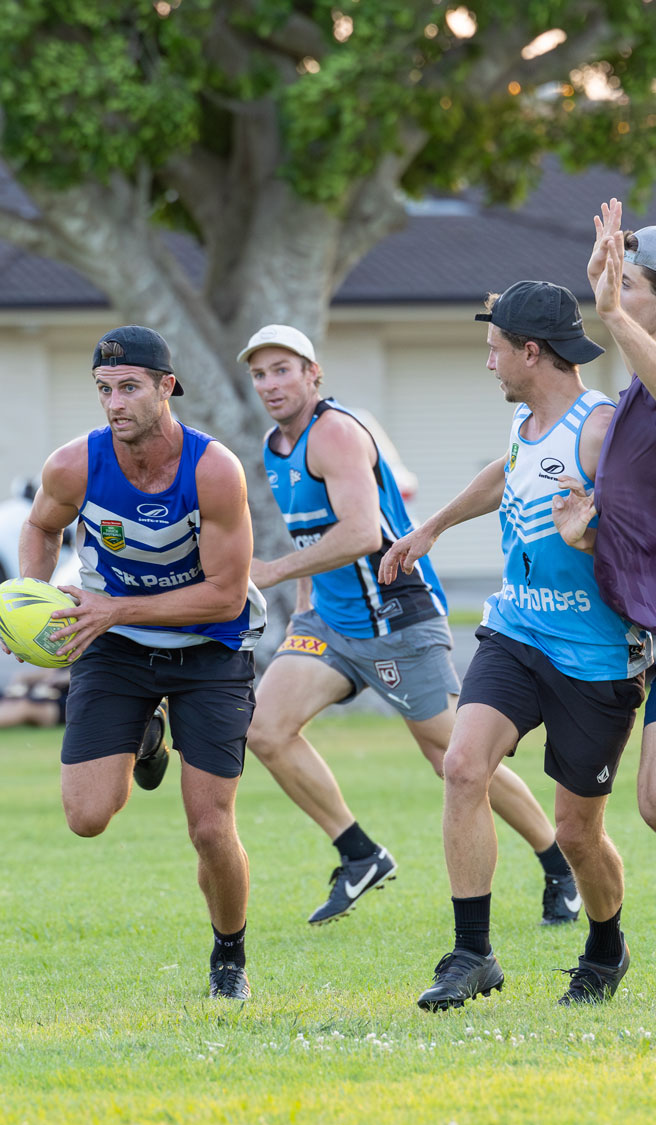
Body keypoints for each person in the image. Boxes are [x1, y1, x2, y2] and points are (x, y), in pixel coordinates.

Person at [237, 323, 579, 928]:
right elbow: (311, 535)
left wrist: (267, 572)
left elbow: (362, 534)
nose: (271, 384)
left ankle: (558, 863)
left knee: (455, 757)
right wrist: (301, 604)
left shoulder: (336, 434)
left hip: (397, 618)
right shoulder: (274, 446)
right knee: (265, 728)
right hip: (331, 623)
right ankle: (359, 854)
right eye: (260, 373)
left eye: (283, 369)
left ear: (314, 374)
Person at [379, 281, 653, 1009]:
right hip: (515, 630)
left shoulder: (603, 429)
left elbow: (642, 541)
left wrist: (590, 534)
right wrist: (430, 527)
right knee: (463, 766)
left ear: (533, 352)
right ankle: (473, 954)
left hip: (595, 658)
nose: (488, 363)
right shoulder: (527, 422)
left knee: (577, 833)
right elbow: (509, 475)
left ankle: (605, 945)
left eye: (495, 350)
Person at [13, 324, 266, 1000]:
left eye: (129, 387)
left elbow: (225, 593)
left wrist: (113, 609)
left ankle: (229, 957)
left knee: (211, 827)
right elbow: (41, 527)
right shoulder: (74, 464)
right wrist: (29, 604)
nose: (115, 402)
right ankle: (146, 735)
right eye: (104, 390)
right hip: (117, 649)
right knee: (87, 815)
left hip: (211, 648)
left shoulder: (213, 470)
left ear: (166, 387)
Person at [552, 201, 656, 837]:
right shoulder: (635, 392)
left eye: (632, 282)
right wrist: (589, 532)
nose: (615, 291)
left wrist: (610, 310)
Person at [0, 669, 169, 789]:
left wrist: (57, 679)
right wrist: (26, 683)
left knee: (26, 707)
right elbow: (37, 673)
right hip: (58, 697)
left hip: (77, 702)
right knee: (21, 700)